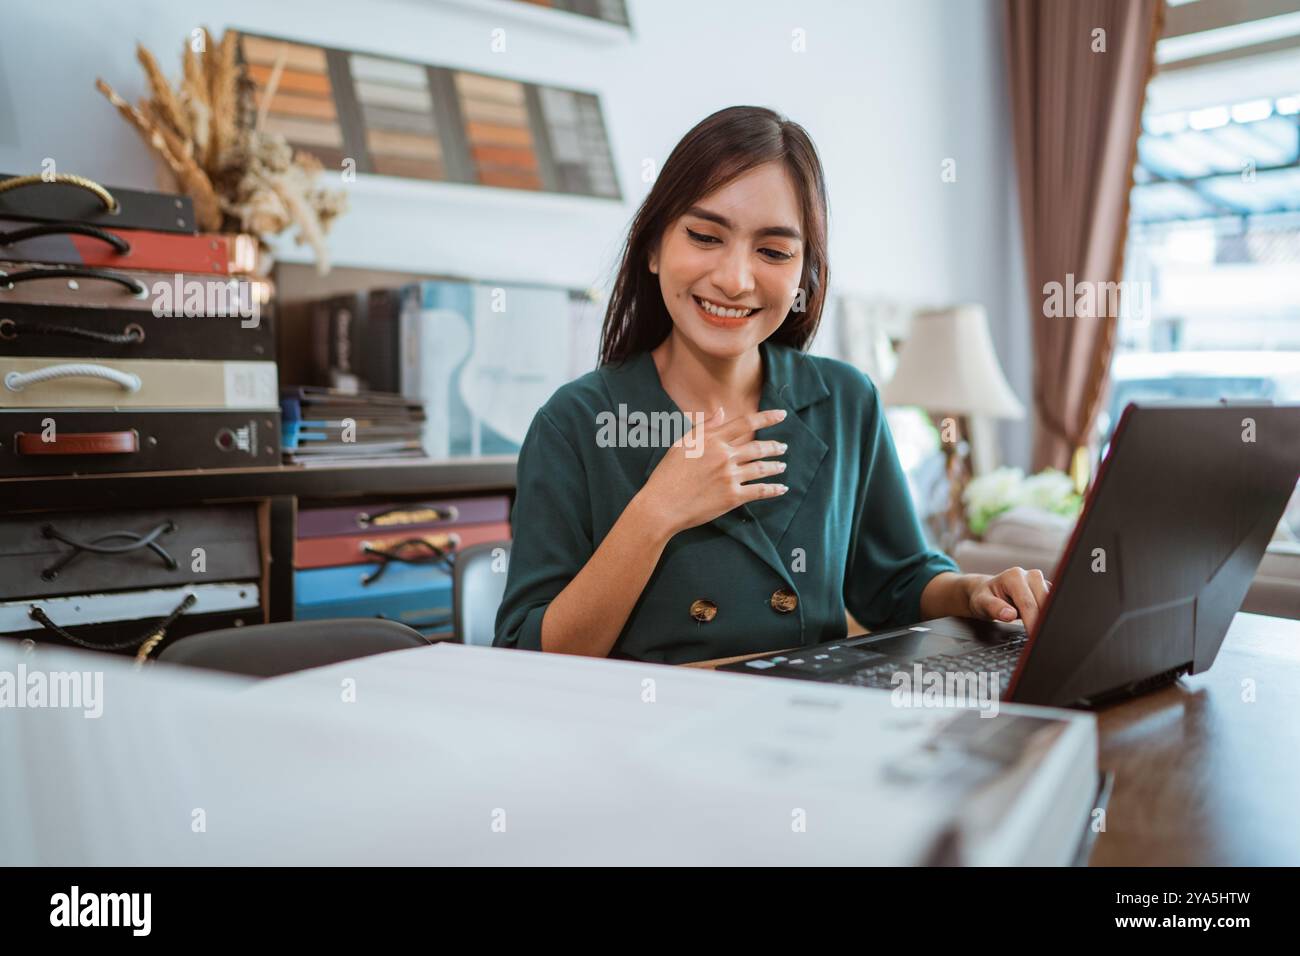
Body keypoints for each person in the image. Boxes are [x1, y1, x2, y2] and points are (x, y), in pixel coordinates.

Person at [494, 105, 1049, 664]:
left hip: (807, 729)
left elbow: (897, 584)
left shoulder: (845, 400)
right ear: (654, 247)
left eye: (774, 251)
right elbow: (530, 658)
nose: (735, 280)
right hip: (645, 735)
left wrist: (973, 592)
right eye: (706, 236)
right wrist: (655, 513)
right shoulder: (575, 423)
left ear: (804, 274)